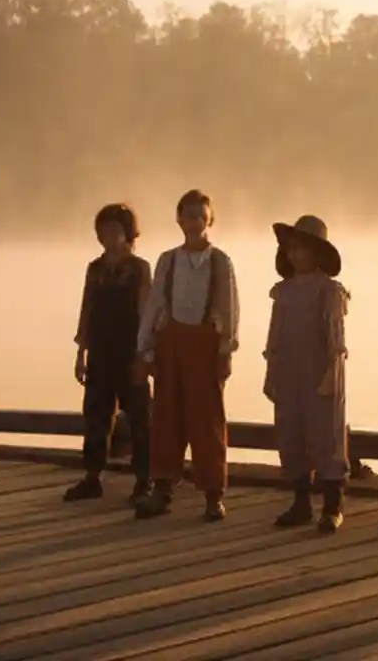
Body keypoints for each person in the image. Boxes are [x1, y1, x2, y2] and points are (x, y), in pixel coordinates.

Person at [134, 189, 240, 522]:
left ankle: (213, 495)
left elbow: (229, 308)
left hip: (205, 346)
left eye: (200, 215)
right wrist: (145, 348)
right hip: (171, 344)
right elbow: (154, 307)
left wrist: (226, 350)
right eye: (188, 215)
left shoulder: (220, 261)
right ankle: (163, 488)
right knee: (166, 419)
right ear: (179, 219)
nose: (193, 221)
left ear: (210, 220)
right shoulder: (168, 260)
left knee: (207, 422)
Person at [263, 215, 350, 533]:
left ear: (318, 253)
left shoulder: (330, 291)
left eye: (303, 249)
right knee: (290, 432)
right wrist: (270, 371)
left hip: (320, 370)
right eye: (292, 250)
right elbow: (274, 335)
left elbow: (336, 337)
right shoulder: (282, 292)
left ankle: (332, 505)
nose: (297, 255)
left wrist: (332, 372)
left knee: (327, 435)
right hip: (288, 369)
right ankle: (300, 502)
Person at [66, 203, 153, 505]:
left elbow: (146, 311)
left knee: (141, 418)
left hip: (130, 351)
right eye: (103, 230)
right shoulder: (95, 269)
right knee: (96, 417)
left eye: (115, 230)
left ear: (128, 233)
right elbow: (86, 310)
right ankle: (93, 477)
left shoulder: (139, 269)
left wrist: (145, 355)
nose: (108, 236)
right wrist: (81, 353)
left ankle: (145, 480)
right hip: (100, 351)